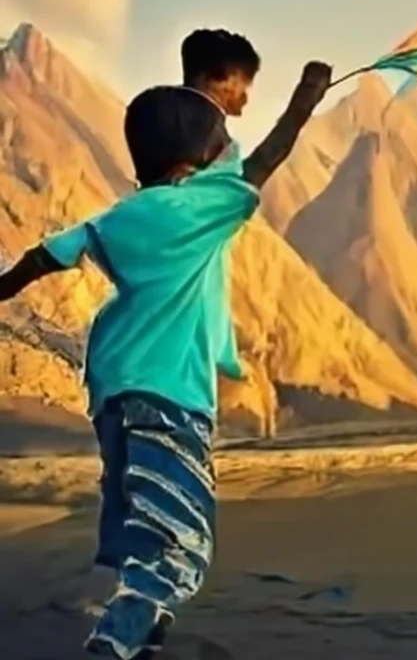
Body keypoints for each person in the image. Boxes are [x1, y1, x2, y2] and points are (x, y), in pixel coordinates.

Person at [0, 61, 332, 660]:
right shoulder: (201, 209)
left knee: (138, 505)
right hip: (169, 391)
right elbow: (265, 160)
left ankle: (147, 626)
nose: (228, 152)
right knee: (181, 529)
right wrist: (308, 96)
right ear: (188, 168)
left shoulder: (119, 216)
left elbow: (44, 255)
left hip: (113, 386)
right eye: (219, 145)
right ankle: (118, 636)